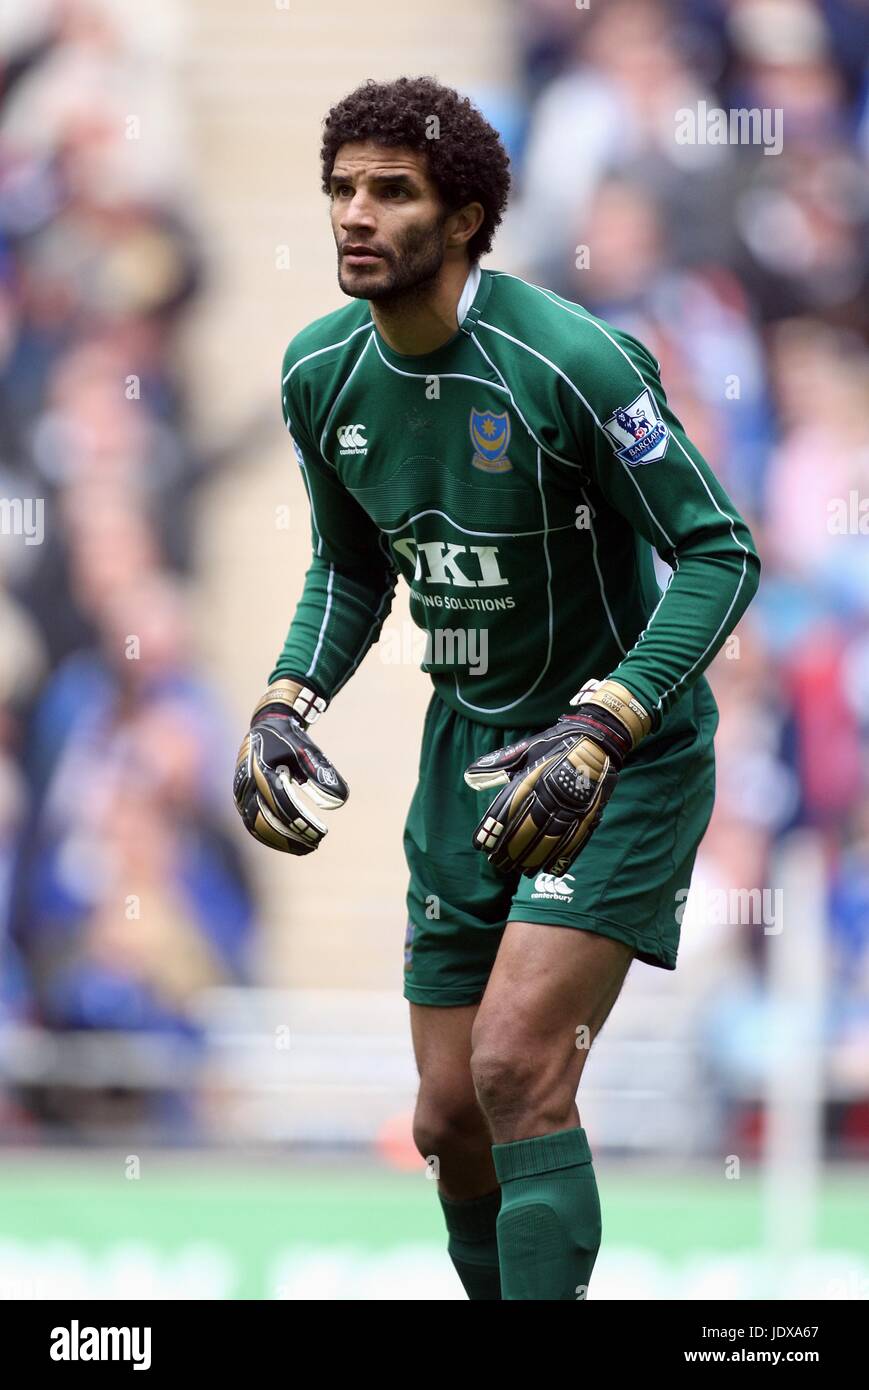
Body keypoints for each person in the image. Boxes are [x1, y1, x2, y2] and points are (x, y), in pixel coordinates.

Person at [233, 76, 760, 1301]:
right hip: (464, 742)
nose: (355, 216)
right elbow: (350, 565)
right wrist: (283, 697)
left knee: (519, 1065)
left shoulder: (568, 358)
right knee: (447, 1117)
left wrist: (605, 719)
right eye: (341, 191)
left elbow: (720, 551)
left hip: (617, 750)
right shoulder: (319, 373)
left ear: (465, 218)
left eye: (391, 192)